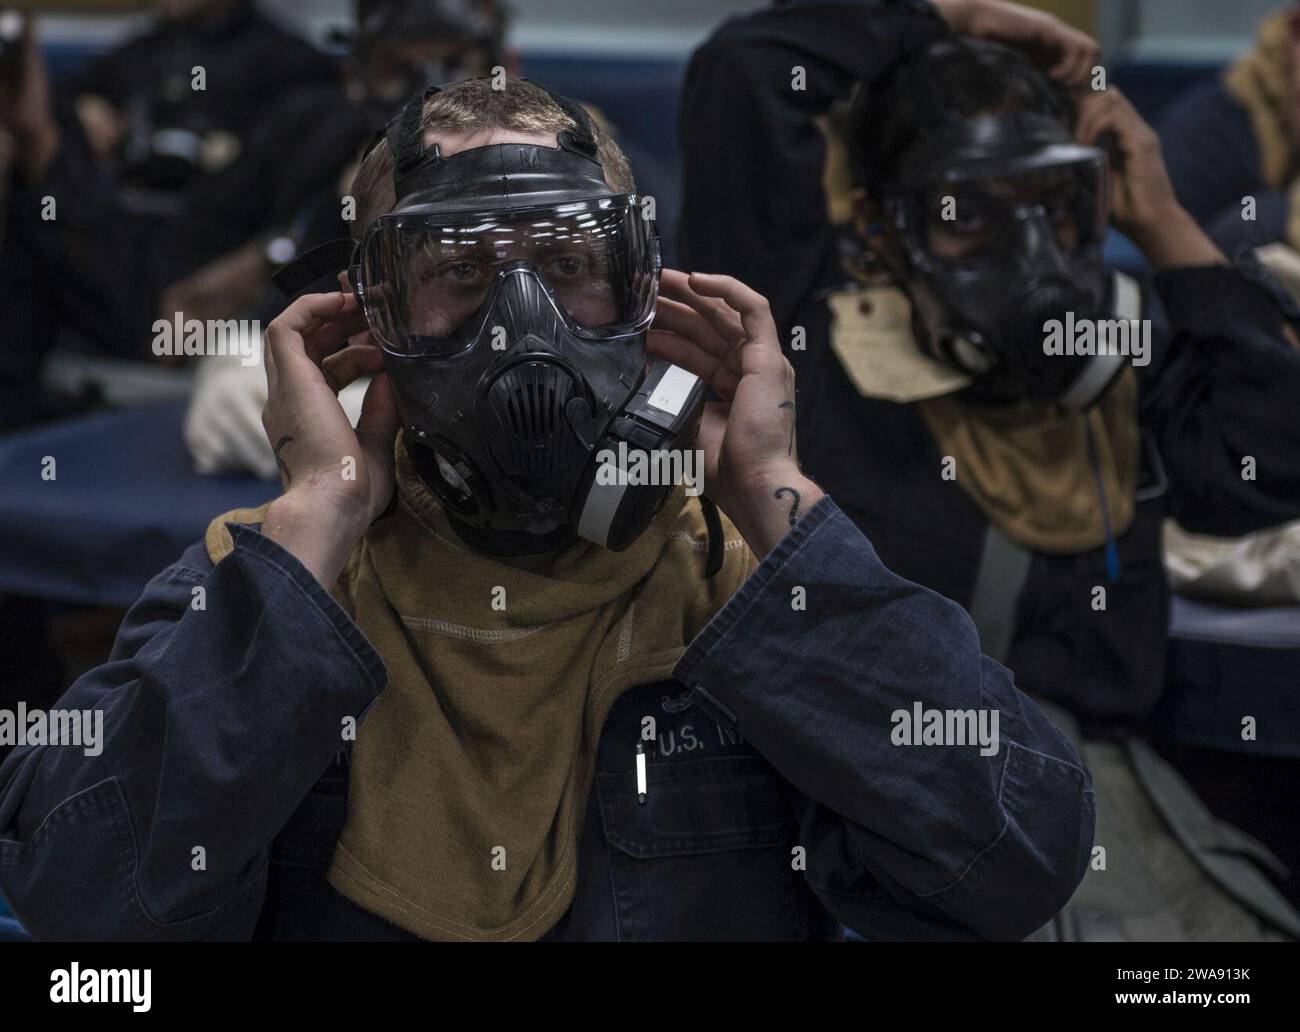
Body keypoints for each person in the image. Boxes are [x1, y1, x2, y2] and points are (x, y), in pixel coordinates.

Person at [0, 77, 1092, 942]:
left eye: (567, 262)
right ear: (368, 319)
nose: (520, 322)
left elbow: (1012, 862)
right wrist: (318, 518)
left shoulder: (743, 584)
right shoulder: (264, 585)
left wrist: (775, 498)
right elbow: (83, 901)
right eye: (457, 267)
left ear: (647, 299)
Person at [679, 0, 1300, 936]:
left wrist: (1164, 221)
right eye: (967, 213)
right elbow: (745, 69)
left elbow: (1272, 461)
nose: (1031, 253)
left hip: (1110, 819)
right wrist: (945, 15)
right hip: (905, 813)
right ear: (880, 230)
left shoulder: (1112, 364)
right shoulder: (813, 357)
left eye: (1056, 203)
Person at [0, 0, 338, 428]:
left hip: (192, 279)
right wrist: (78, 122)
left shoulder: (292, 67)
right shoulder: (137, 54)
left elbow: (312, 204)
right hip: (105, 257)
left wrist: (263, 259)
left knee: (41, 151)